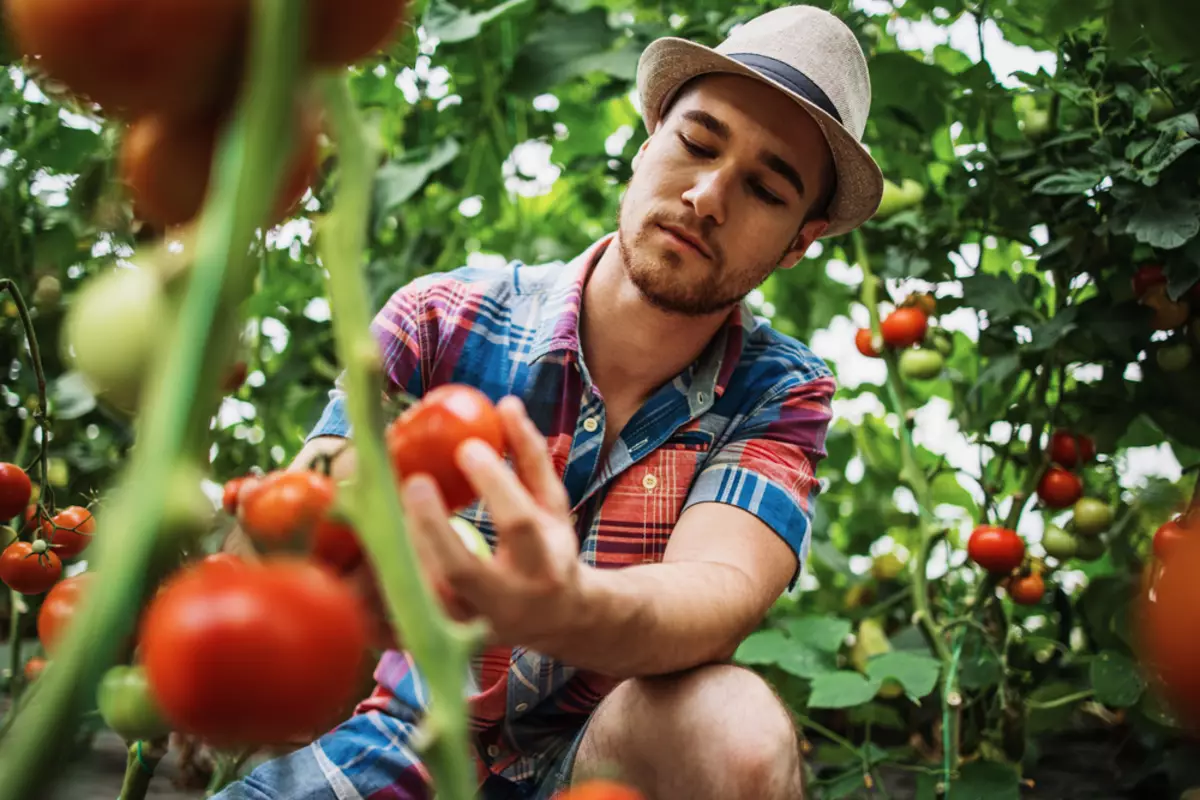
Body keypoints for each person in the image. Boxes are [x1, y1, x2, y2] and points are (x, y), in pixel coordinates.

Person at [215, 5, 882, 799]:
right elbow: (303, 544)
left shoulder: (778, 392)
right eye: (697, 144)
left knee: (733, 731)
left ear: (799, 242)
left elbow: (717, 587)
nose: (708, 197)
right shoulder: (441, 321)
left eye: (766, 189)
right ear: (646, 142)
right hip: (393, 750)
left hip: (602, 768)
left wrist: (563, 606)